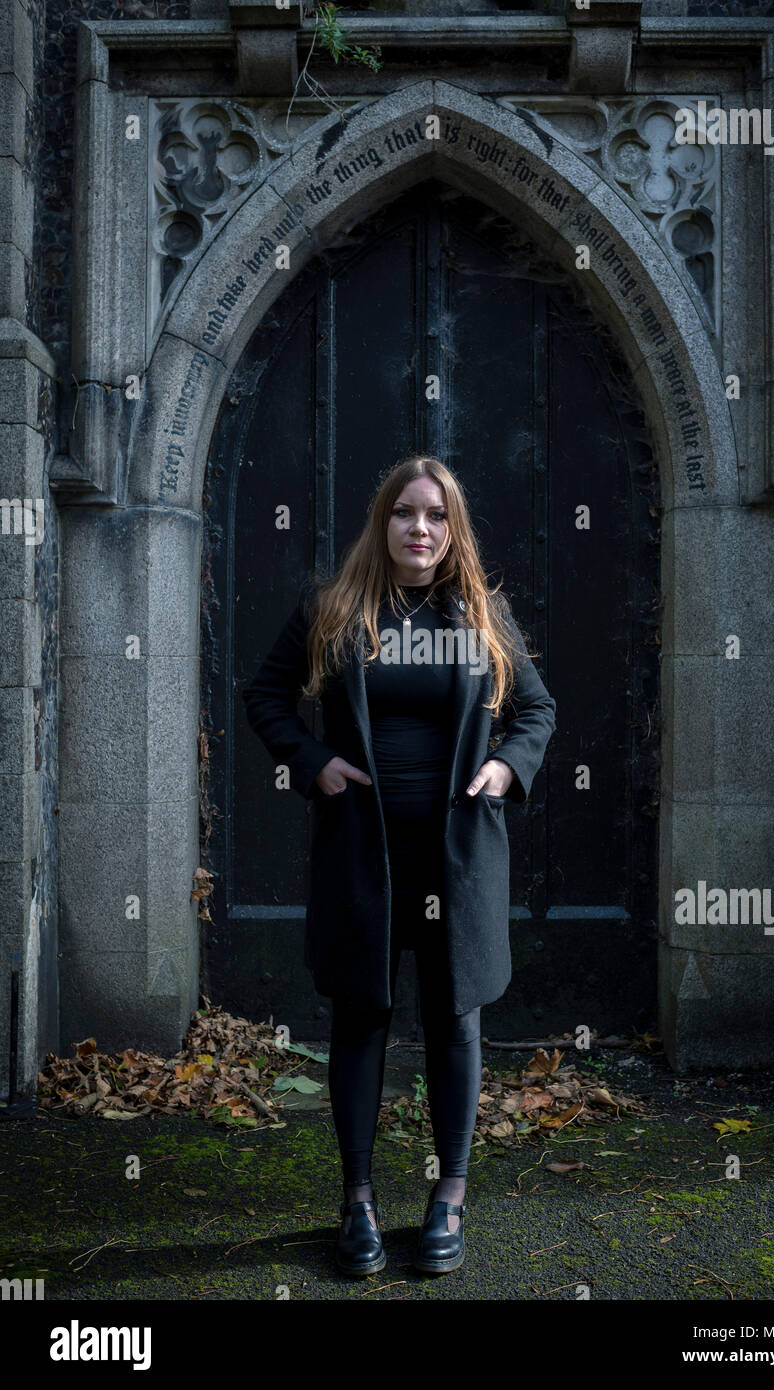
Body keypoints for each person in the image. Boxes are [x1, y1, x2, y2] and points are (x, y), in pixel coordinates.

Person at [242, 454, 556, 1277]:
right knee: (361, 1019)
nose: (420, 528)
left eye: (436, 515)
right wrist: (313, 761)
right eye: (405, 512)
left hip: (456, 860)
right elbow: (265, 696)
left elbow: (536, 708)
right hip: (362, 857)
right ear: (382, 522)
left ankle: (448, 1197)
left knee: (455, 1020)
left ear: (453, 531)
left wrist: (505, 767)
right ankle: (358, 1203)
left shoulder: (480, 613)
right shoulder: (335, 607)